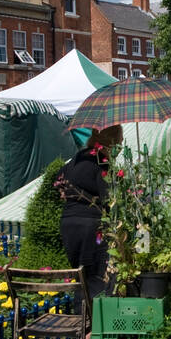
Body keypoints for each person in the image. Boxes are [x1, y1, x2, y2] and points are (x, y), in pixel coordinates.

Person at [54, 124, 123, 299]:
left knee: (80, 274)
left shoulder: (79, 157)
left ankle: (81, 312)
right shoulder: (100, 161)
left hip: (69, 223)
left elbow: (58, 180)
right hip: (90, 225)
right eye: (120, 140)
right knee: (95, 274)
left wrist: (70, 195)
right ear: (112, 141)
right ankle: (93, 319)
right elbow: (109, 198)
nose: (121, 144)